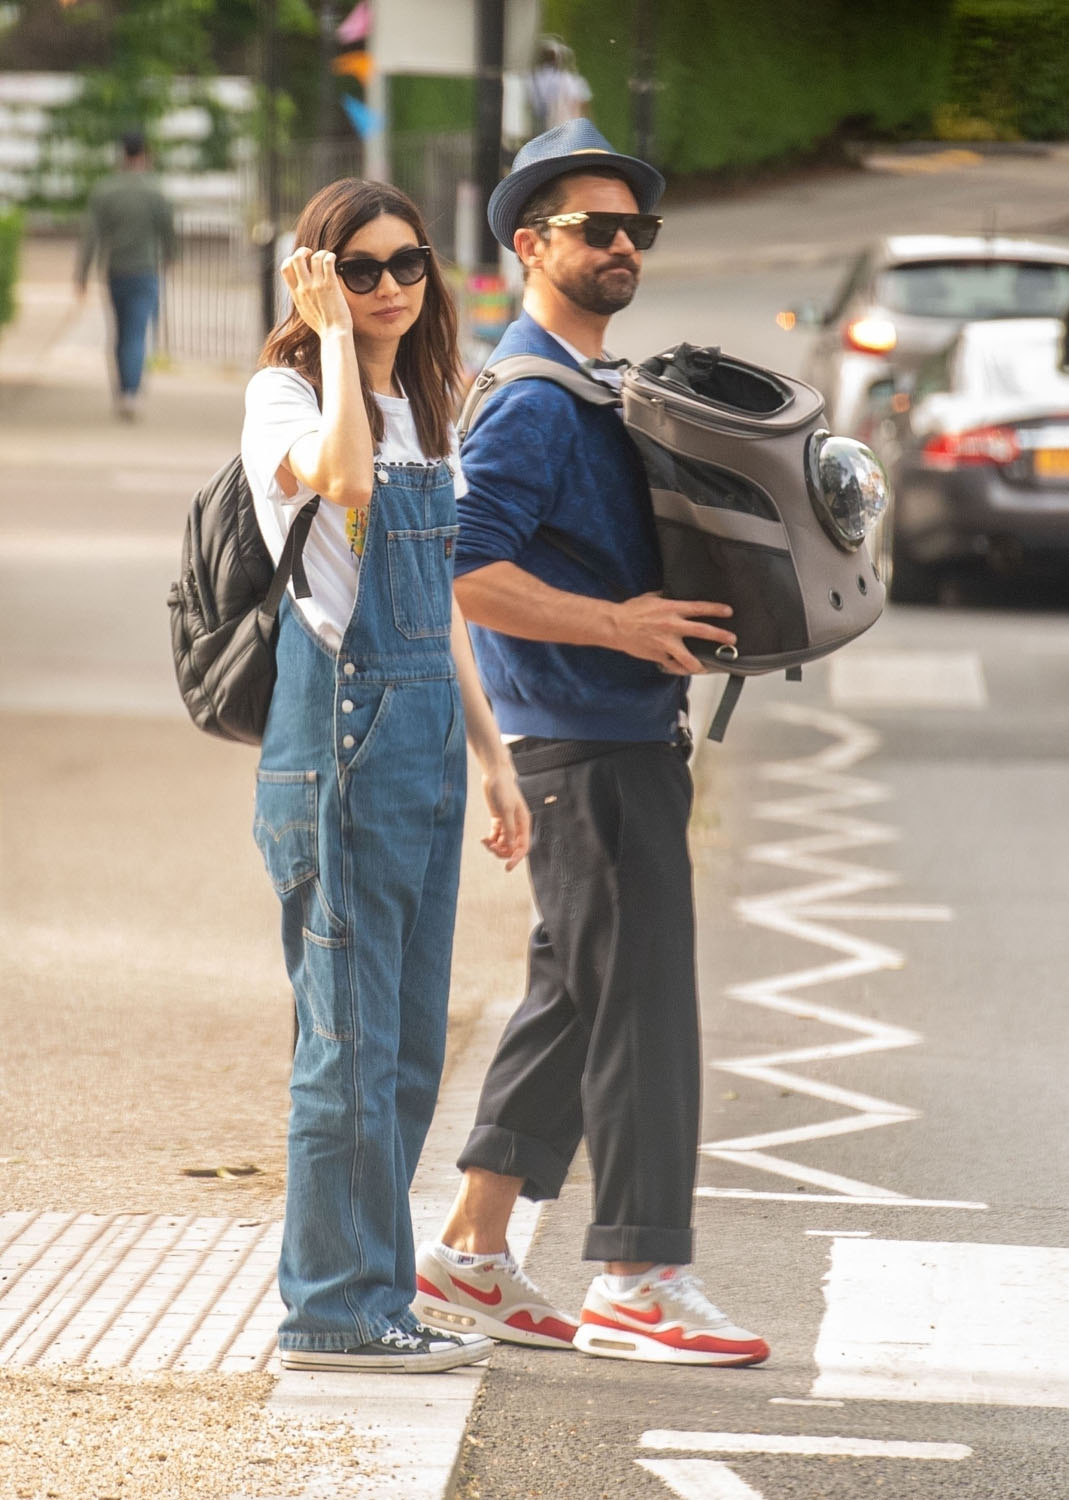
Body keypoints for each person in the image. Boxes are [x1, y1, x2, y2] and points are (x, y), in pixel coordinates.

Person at [414, 120, 770, 1367]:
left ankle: (469, 1248)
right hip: (587, 739)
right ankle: (637, 1273)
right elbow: (464, 570)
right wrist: (616, 624)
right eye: (593, 228)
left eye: (637, 230)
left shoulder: (596, 385)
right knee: (644, 1007)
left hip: (602, 735)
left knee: (574, 995)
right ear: (527, 244)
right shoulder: (530, 401)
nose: (622, 245)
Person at [240, 177, 531, 1373]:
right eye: (357, 269)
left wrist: (493, 755)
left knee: (407, 1046)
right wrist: (330, 346)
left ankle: (373, 1296)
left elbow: (440, 607)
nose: (390, 288)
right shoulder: (285, 395)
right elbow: (344, 487)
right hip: (339, 748)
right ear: (316, 279)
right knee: (345, 1045)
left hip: (421, 749)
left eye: (407, 263)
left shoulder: (427, 404)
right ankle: (334, 1309)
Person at [75, 129, 176, 419]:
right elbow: (168, 233)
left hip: (116, 271)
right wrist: (170, 258)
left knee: (119, 333)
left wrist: (81, 275)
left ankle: (122, 390)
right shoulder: (154, 191)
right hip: (145, 271)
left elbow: (91, 236)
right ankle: (131, 392)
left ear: (122, 153)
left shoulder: (106, 190)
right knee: (136, 333)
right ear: (145, 153)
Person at [527, 37, 592, 135]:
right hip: (564, 132)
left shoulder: (530, 79)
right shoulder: (569, 80)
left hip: (536, 132)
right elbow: (581, 105)